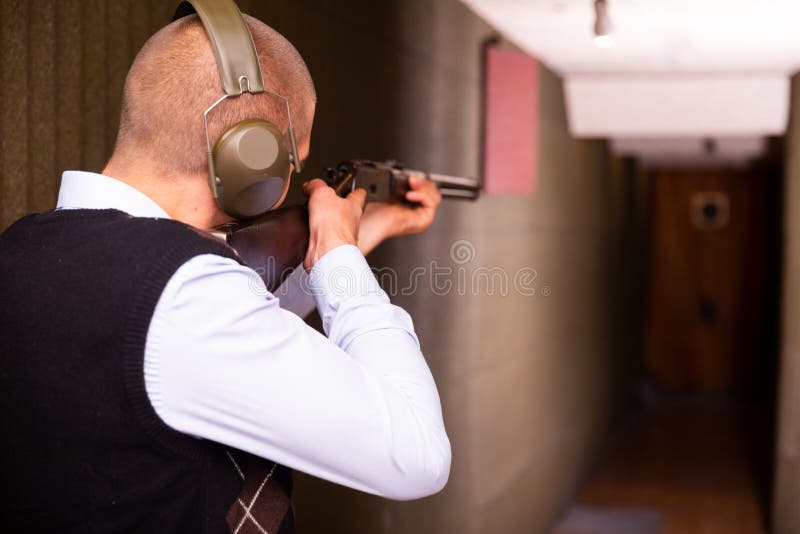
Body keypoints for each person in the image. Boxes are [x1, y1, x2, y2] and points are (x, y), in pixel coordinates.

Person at [0, 9, 450, 534]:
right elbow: (419, 455)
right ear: (249, 158)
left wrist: (362, 233)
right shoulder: (186, 297)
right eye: (291, 162)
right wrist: (339, 255)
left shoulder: (23, 246)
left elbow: (237, 337)